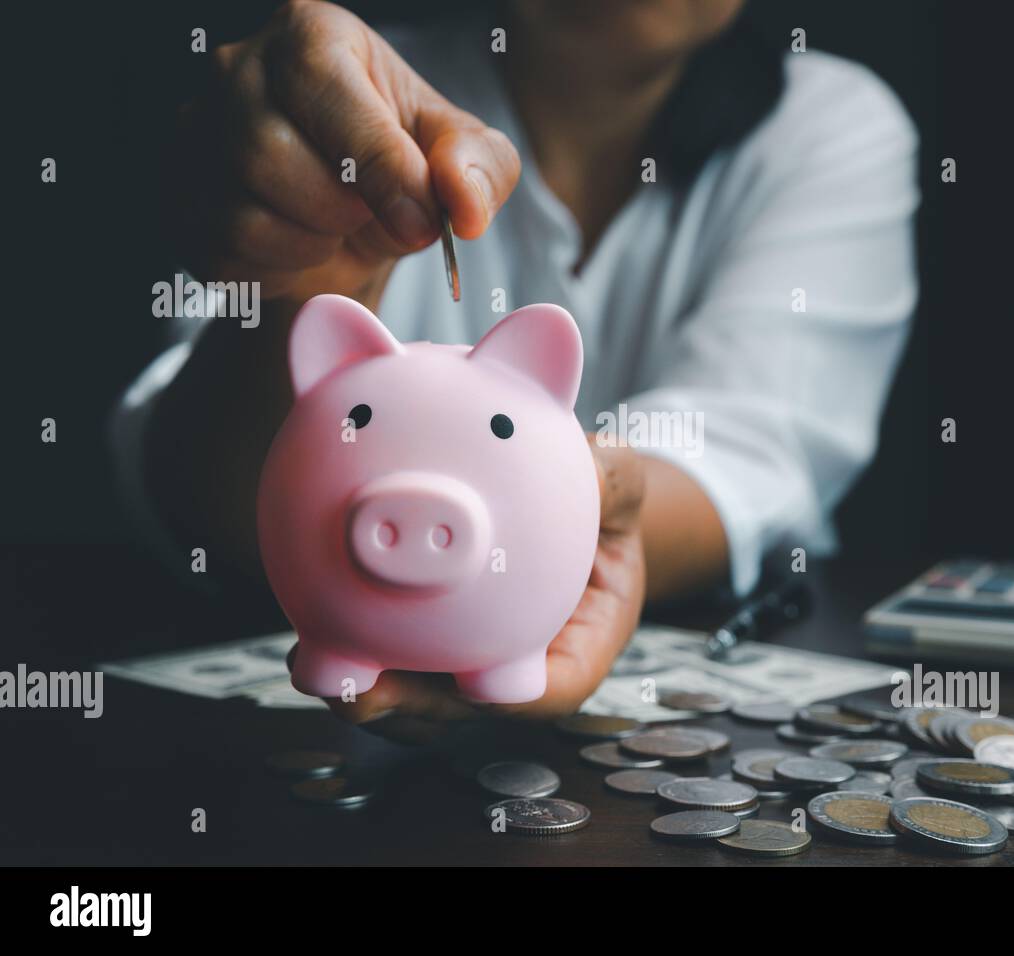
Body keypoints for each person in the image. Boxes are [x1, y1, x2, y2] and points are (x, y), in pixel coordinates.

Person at [113, 0, 918, 728]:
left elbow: (755, 440)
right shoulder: (337, 107)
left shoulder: (827, 124)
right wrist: (294, 287)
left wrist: (588, 514)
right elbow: (199, 499)